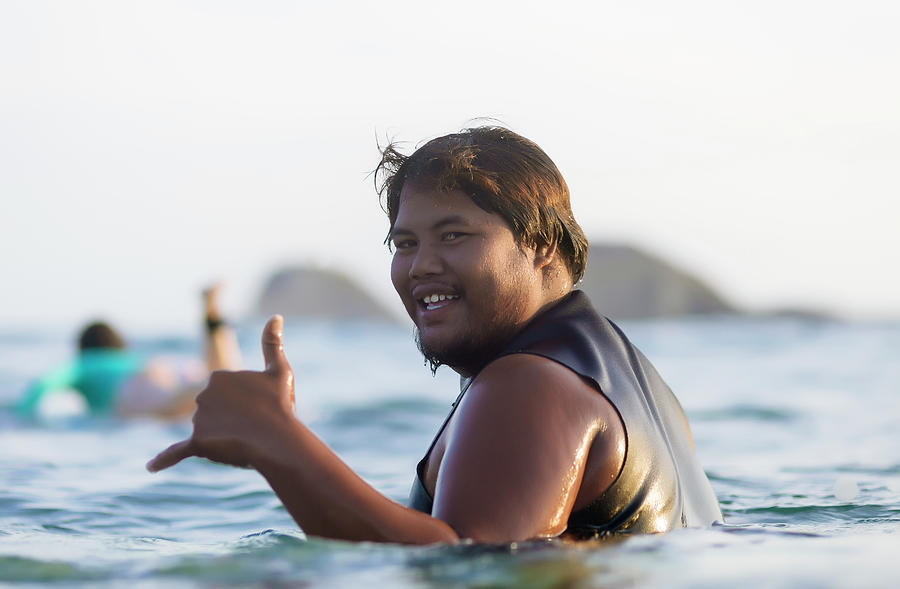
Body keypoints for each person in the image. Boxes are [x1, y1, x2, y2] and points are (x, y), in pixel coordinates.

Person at [147, 126, 723, 543]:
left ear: (542, 244)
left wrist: (277, 440)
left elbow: (471, 572)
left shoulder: (529, 383)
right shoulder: (637, 385)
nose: (420, 265)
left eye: (453, 235)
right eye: (405, 243)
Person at [16, 286, 241, 420]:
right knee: (220, 381)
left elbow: (45, 384)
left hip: (134, 387)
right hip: (164, 368)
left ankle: (216, 363)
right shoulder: (125, 359)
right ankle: (215, 326)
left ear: (83, 348)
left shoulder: (86, 363)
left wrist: (21, 415)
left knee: (211, 392)